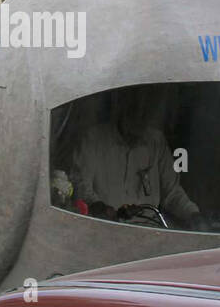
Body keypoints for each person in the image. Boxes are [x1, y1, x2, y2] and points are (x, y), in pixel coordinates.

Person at [69, 87, 201, 228]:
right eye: (135, 108)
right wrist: (98, 206)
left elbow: (172, 192)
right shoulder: (93, 139)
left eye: (147, 111)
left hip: (149, 229)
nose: (140, 115)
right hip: (104, 228)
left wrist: (194, 215)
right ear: (122, 106)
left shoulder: (156, 142)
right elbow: (79, 184)